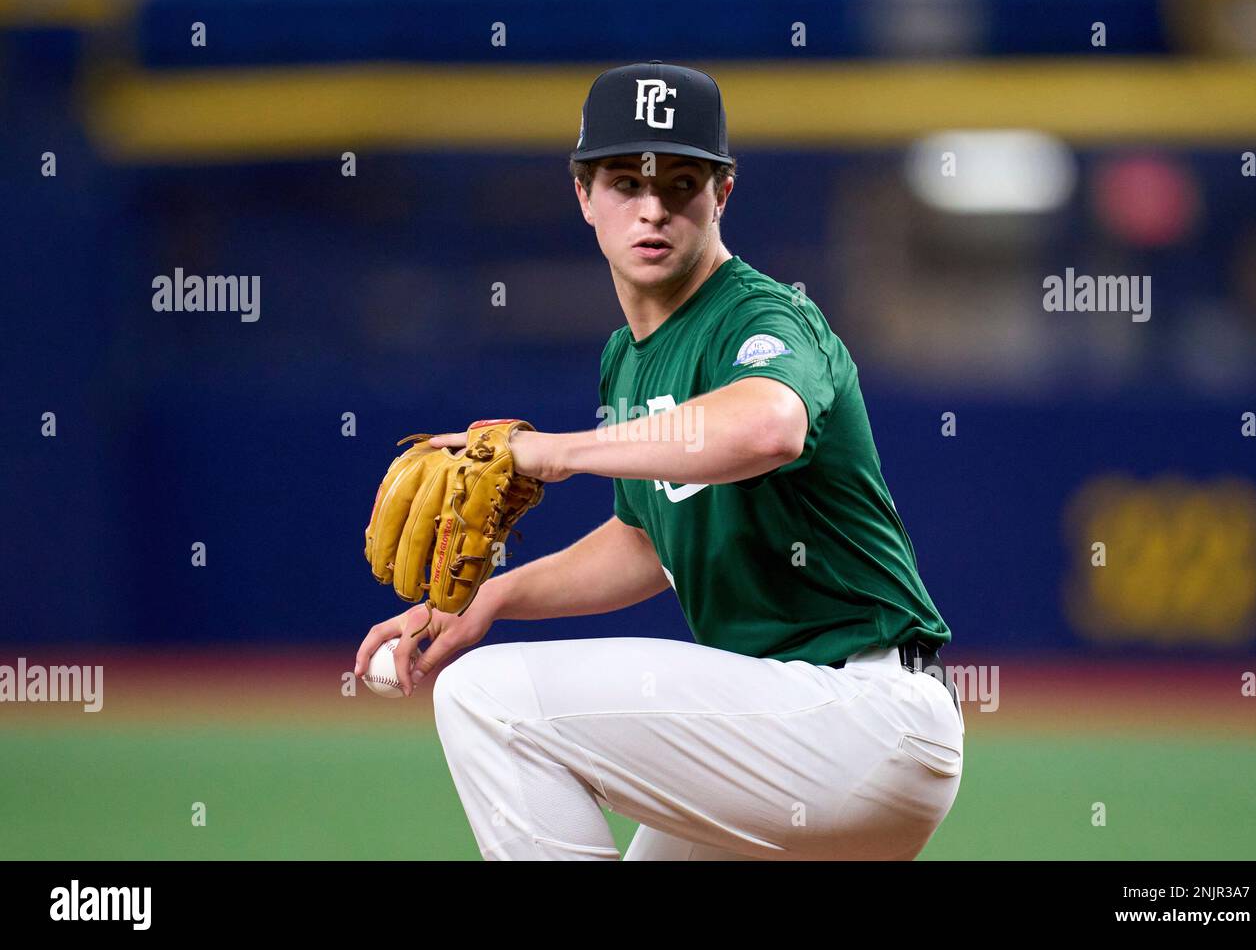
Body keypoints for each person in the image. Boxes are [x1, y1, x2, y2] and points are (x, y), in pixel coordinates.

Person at [355, 61, 963, 860]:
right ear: (583, 194)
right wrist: (488, 601)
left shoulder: (762, 315)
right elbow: (644, 542)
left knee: (489, 699)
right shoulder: (630, 360)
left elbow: (769, 425)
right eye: (624, 182)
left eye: (681, 183)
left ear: (723, 193)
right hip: (783, 731)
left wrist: (554, 454)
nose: (652, 209)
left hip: (861, 715)